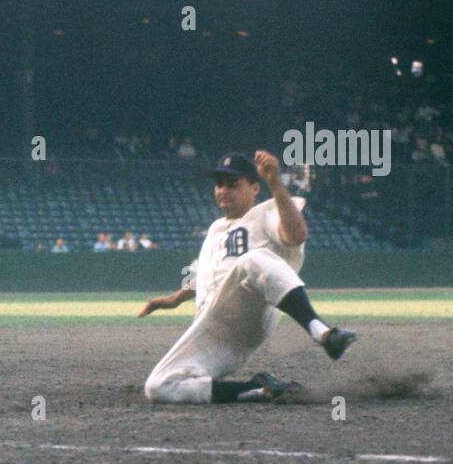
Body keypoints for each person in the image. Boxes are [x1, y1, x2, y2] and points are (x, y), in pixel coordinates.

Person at [137, 151, 356, 403]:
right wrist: (173, 299)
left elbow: (297, 235)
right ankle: (258, 389)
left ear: (254, 188)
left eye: (233, 184)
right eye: (219, 184)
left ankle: (324, 333)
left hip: (250, 313)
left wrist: (275, 184)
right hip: (212, 328)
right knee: (158, 387)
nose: (223, 190)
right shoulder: (215, 229)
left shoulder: (267, 212)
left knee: (252, 260)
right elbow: (205, 274)